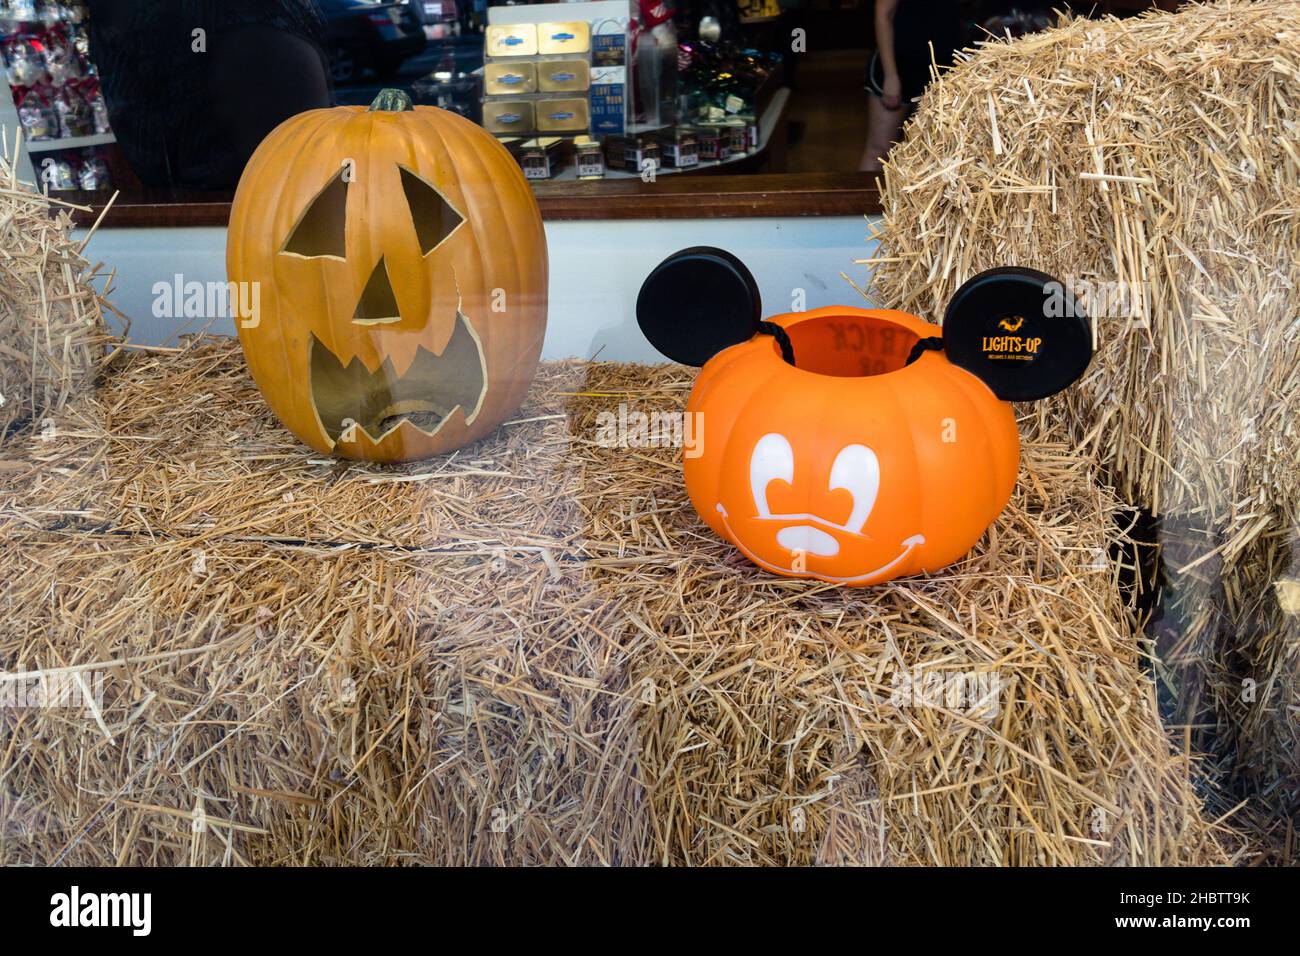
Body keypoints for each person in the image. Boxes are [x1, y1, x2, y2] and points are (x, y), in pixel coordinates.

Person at [88, 0, 331, 190]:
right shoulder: (131, 28)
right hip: (191, 220)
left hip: (237, 218)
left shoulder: (248, 29)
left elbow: (296, 175)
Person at [859, 0, 963, 173]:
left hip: (943, 67)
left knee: (938, 151)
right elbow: (883, 15)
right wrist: (891, 76)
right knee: (879, 150)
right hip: (901, 65)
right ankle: (862, 200)